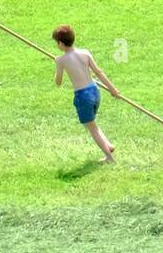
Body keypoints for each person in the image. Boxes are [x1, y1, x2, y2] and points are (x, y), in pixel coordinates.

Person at [51, 24, 121, 163]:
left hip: (83, 96)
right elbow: (98, 72)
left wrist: (57, 64)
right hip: (95, 91)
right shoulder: (85, 52)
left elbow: (58, 82)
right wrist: (113, 89)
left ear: (60, 43)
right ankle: (108, 145)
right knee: (92, 124)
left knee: (91, 128)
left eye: (56, 43)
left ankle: (109, 157)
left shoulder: (62, 60)